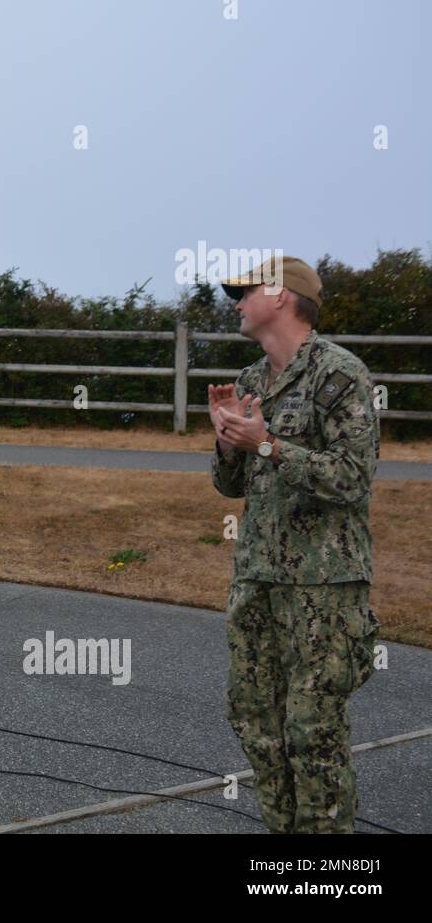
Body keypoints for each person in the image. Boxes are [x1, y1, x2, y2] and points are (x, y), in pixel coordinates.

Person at [209, 255, 380, 833]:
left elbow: (352, 478)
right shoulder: (253, 380)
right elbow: (232, 486)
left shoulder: (341, 374)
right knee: (256, 723)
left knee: (314, 731)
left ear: (281, 297)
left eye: (246, 292)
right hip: (258, 576)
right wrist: (231, 443)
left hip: (323, 586)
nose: (237, 302)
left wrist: (268, 445)